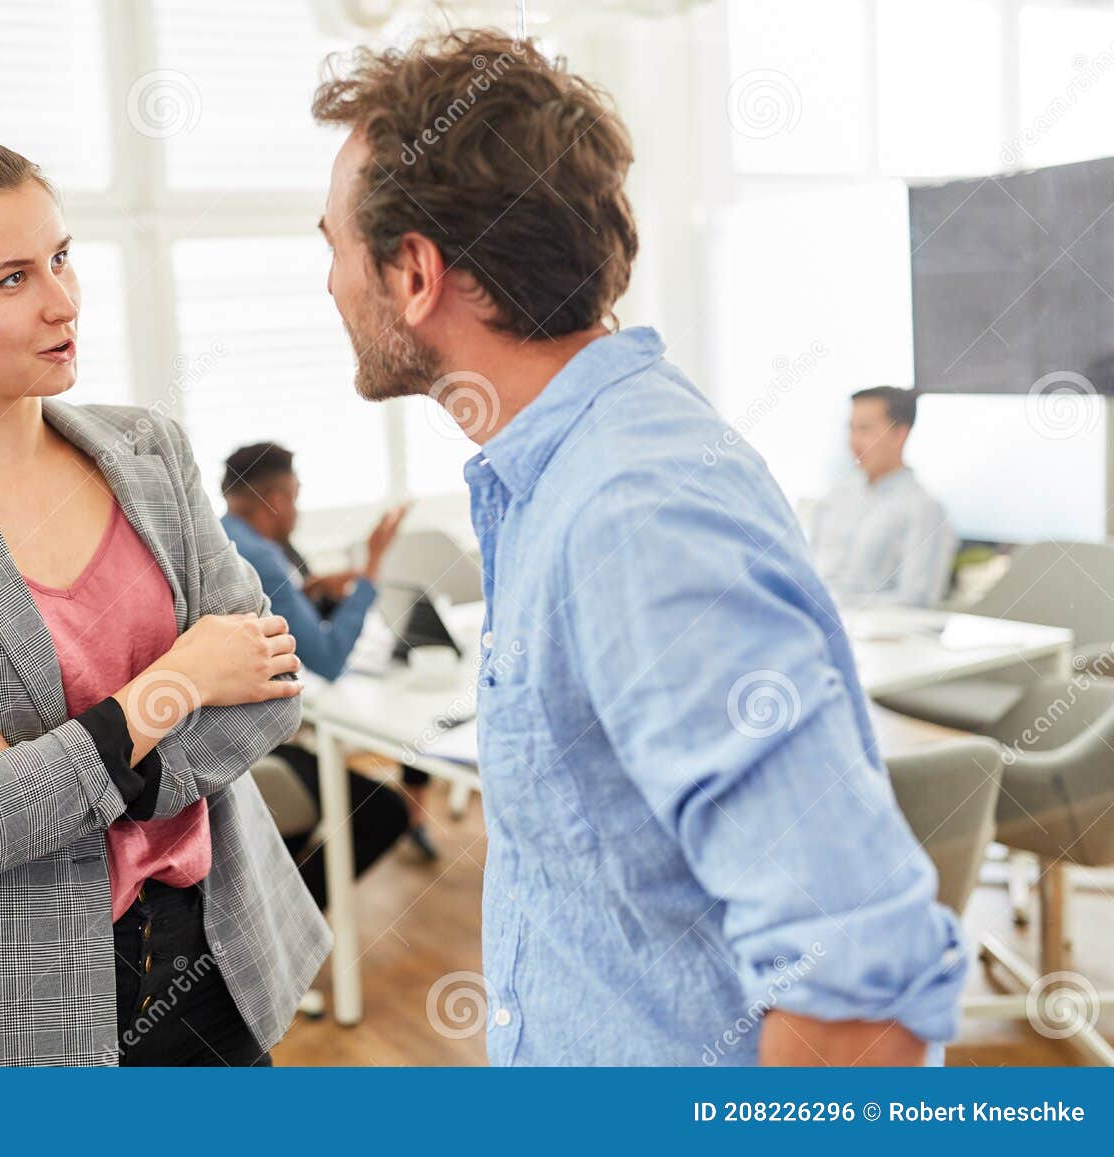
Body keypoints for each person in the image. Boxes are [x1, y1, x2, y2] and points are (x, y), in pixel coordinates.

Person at [312, 31, 967, 1065]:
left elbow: (859, 998)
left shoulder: (633, 508)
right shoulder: (558, 475)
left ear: (415, 271)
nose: (329, 284)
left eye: (334, 246)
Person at [0, 140, 328, 1067]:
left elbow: (273, 688)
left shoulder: (150, 451)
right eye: (11, 279)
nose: (63, 300)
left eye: (62, 256)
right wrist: (173, 686)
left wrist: (55, 771)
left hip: (213, 957)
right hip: (16, 998)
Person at [219, 442, 435, 885]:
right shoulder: (263, 556)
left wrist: (309, 592)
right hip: (255, 748)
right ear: (277, 499)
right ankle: (293, 917)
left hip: (224, 736)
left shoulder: (223, 538)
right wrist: (372, 565)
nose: (297, 510)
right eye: (296, 497)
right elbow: (330, 659)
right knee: (382, 814)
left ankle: (276, 902)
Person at [809, 386, 957, 608]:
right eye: (851, 429)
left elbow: (916, 601)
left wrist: (839, 605)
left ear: (900, 434)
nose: (854, 441)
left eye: (865, 429)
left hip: (873, 634)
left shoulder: (924, 509)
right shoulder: (836, 497)